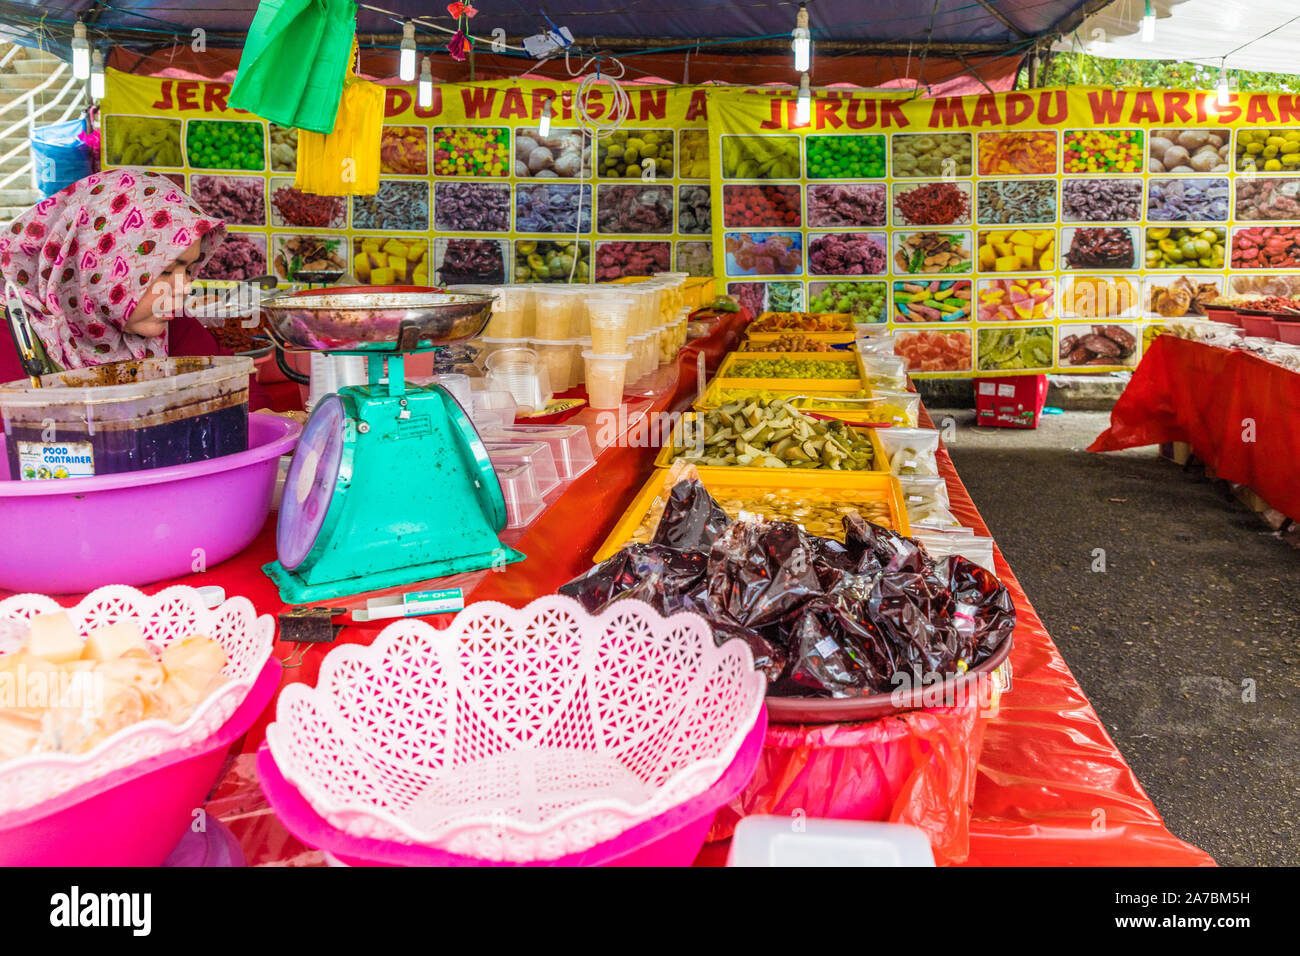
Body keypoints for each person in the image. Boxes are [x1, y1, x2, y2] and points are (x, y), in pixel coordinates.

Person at [0, 167, 279, 416]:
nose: (184, 289)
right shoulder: (13, 341)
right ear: (101, 265)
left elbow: (246, 402)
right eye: (167, 271)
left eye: (189, 269)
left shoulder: (174, 329)